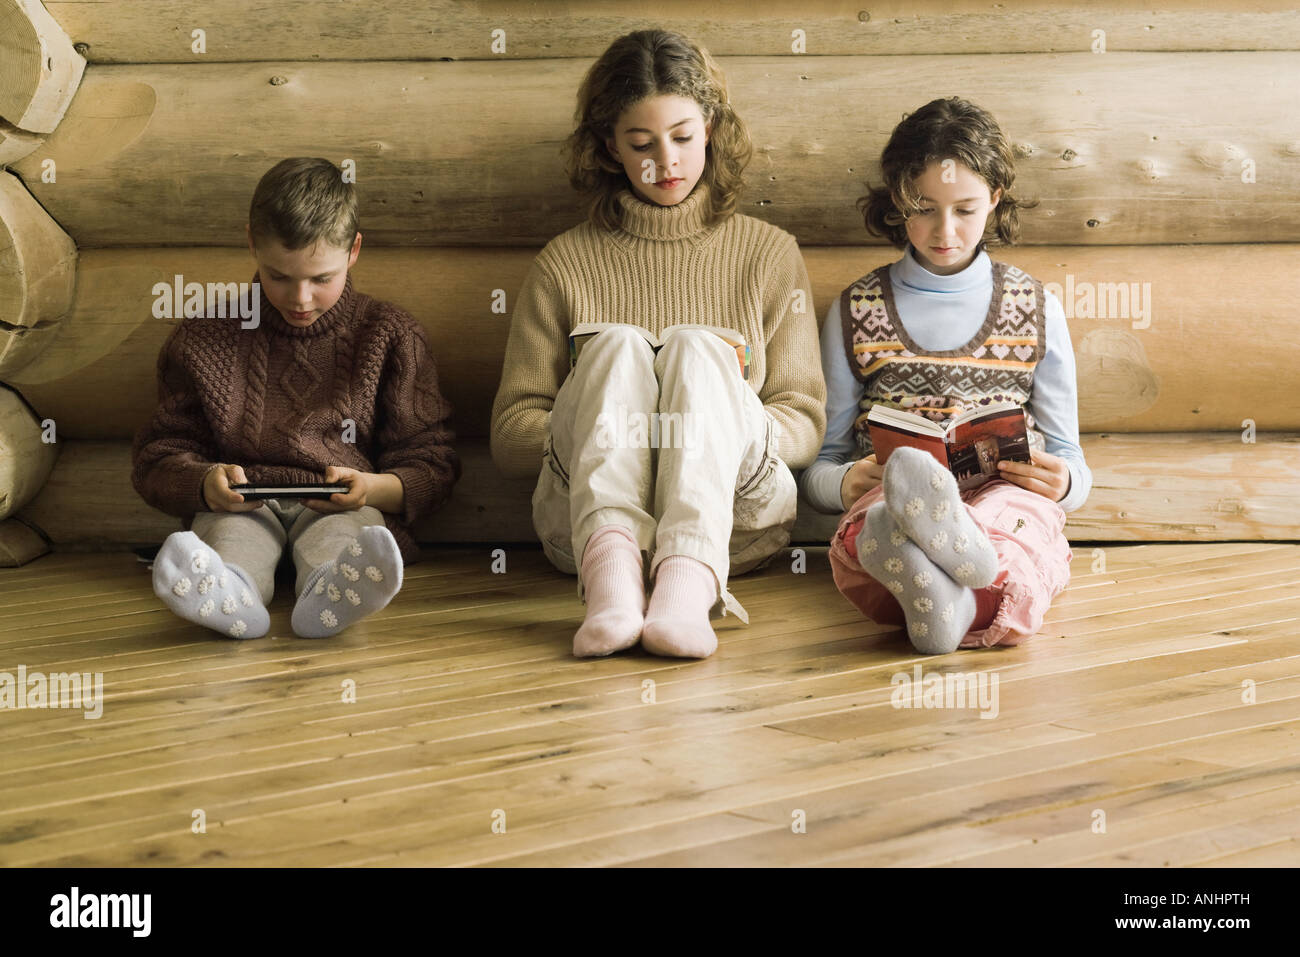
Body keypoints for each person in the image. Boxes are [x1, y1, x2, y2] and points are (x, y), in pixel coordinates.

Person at [490, 29, 826, 659]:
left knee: (697, 349)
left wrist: (709, 422)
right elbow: (511, 433)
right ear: (610, 149)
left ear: (713, 131)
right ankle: (613, 582)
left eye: (683, 137)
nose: (665, 162)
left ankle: (687, 582)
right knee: (615, 347)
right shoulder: (564, 263)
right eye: (641, 144)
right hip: (580, 530)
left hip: (737, 527)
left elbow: (804, 421)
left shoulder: (767, 253)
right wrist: (612, 421)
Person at [800, 97, 1091, 654]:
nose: (945, 230)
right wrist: (843, 484)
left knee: (1018, 524)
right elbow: (823, 466)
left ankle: (946, 592)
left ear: (995, 199)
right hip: (893, 496)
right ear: (896, 200)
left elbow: (1071, 460)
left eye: (965, 209)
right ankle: (953, 584)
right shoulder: (855, 309)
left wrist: (1066, 484)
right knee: (875, 520)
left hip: (1007, 495)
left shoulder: (1036, 305)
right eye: (924, 207)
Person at [132, 157, 461, 639]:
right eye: (279, 276)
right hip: (242, 504)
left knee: (343, 539)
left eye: (321, 278)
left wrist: (371, 488)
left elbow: (432, 462)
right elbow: (157, 457)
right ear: (251, 243)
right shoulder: (203, 338)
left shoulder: (390, 334)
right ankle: (231, 593)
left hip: (342, 505)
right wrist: (203, 483)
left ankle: (330, 594)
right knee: (231, 537)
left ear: (354, 251)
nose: (300, 298)